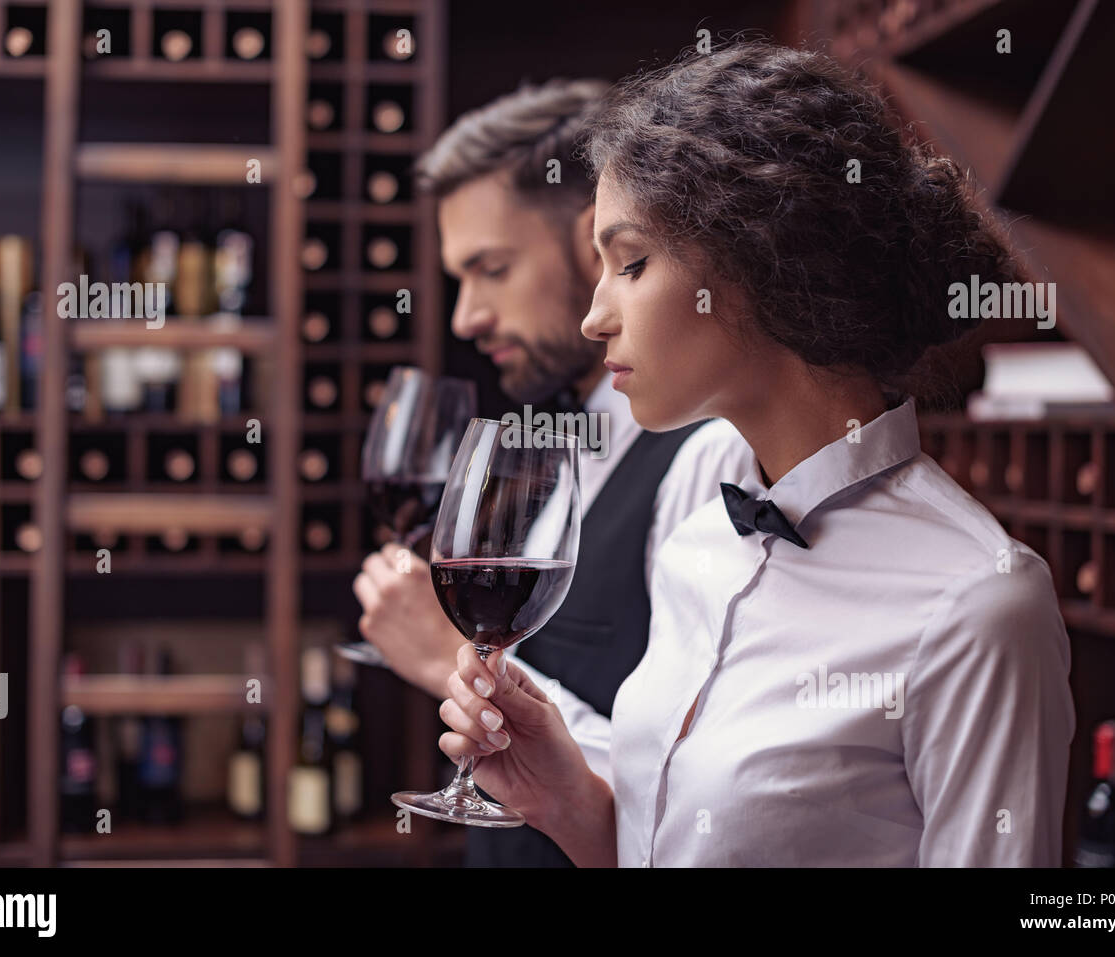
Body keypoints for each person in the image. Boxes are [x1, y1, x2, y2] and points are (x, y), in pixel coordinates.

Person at [433, 40, 1076, 867]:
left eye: (630, 263)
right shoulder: (701, 541)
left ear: (759, 261)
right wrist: (570, 801)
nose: (596, 318)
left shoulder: (980, 606)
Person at [352, 78, 753, 867]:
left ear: (590, 244)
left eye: (490, 269)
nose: (466, 316)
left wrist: (445, 658)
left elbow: (693, 807)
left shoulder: (710, 454)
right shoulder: (551, 437)